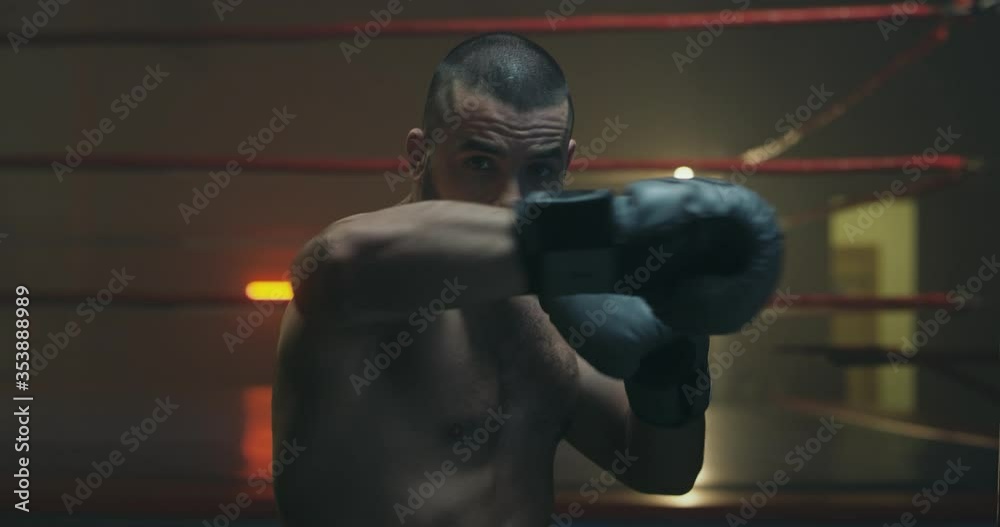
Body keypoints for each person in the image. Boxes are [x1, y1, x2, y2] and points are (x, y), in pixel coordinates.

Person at [272, 32, 782, 526]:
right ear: (418, 155)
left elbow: (662, 471)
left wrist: (673, 358)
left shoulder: (551, 308)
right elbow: (332, 262)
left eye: (539, 171)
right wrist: (608, 235)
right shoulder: (372, 284)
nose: (511, 201)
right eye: (479, 163)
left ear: (567, 162)